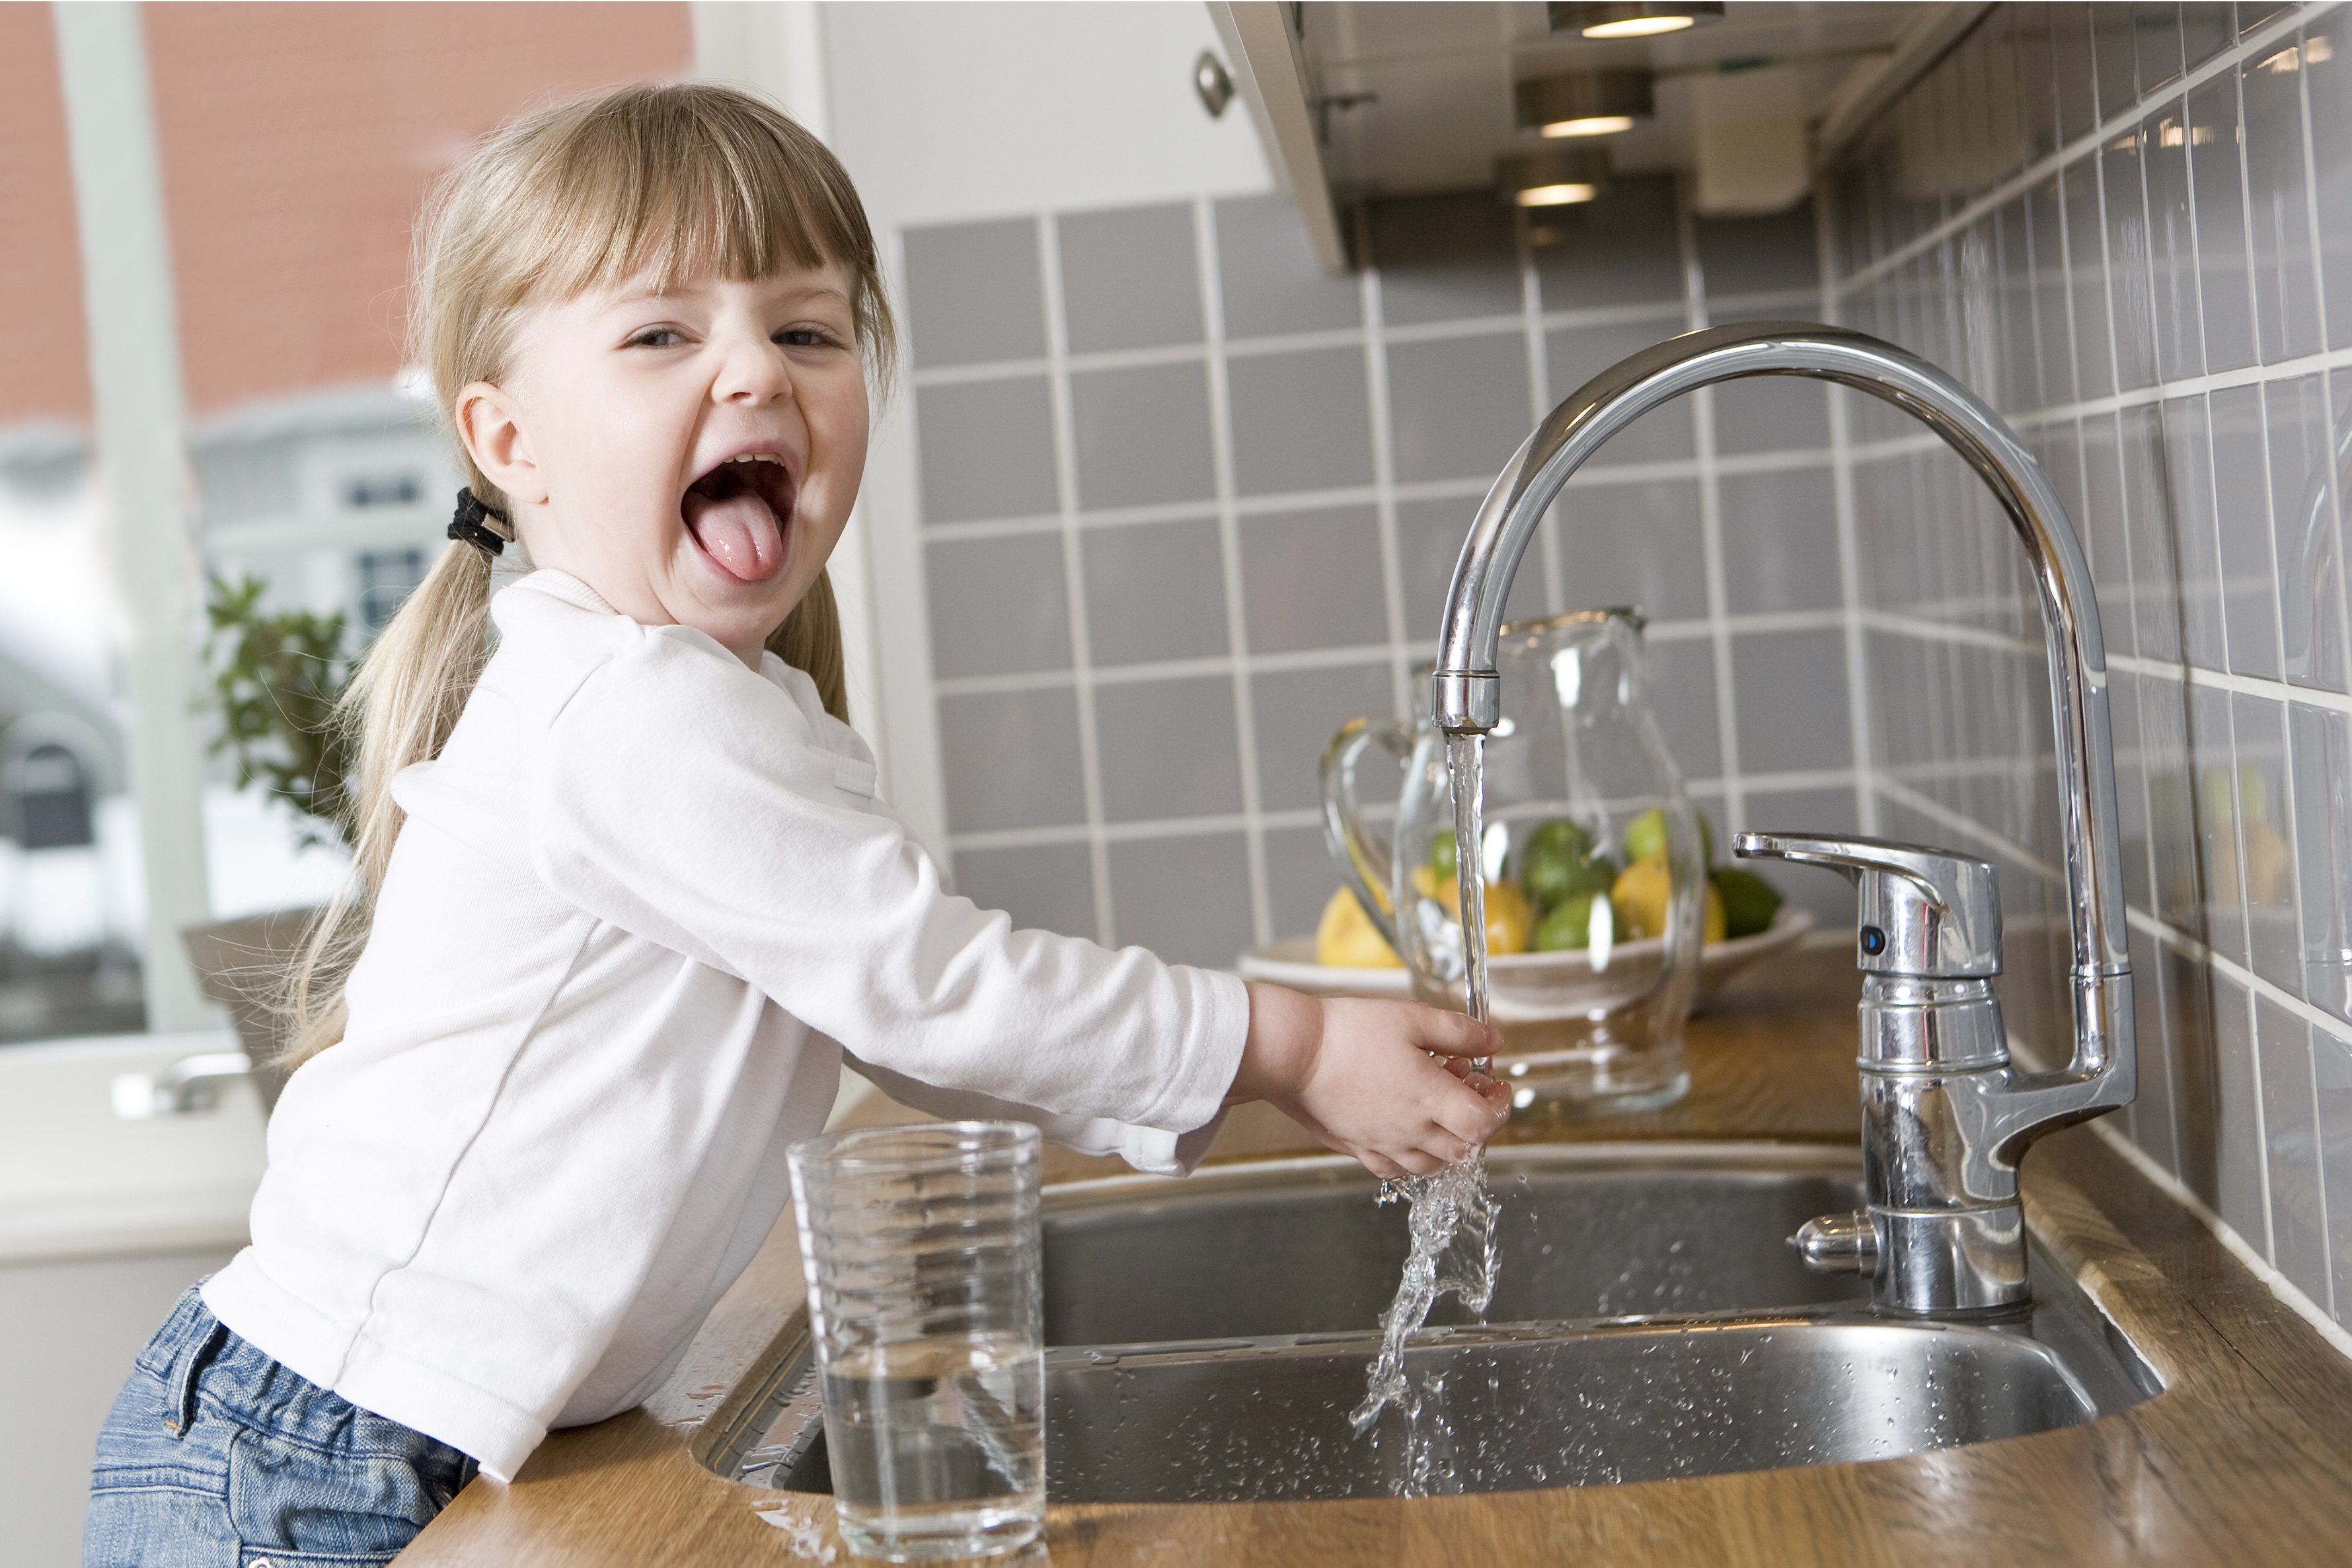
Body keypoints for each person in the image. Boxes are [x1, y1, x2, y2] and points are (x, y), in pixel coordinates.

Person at [83, 81, 1509, 1567]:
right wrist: (1283, 1045)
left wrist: (1253, 1059)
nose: (755, 371)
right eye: (661, 334)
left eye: (808, 331)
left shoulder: (724, 710)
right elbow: (935, 986)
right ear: (510, 441)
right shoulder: (628, 706)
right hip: (310, 1455)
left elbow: (904, 1014)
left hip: (372, 1437)